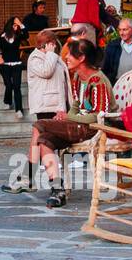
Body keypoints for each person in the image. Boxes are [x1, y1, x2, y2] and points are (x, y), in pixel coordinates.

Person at [30, 39, 113, 208]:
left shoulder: (97, 80)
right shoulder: (77, 78)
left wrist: (70, 118)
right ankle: (57, 190)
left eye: (69, 54)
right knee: (44, 140)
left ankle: (27, 175)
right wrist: (67, 116)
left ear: (81, 58)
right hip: (79, 126)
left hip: (93, 129)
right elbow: (75, 107)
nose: (66, 57)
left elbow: (98, 116)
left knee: (40, 124)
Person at [1, 30, 69, 194]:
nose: (56, 46)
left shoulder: (53, 57)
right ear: (48, 43)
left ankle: (27, 178)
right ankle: (28, 179)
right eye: (53, 43)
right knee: (39, 140)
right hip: (47, 105)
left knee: (37, 139)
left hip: (55, 105)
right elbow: (47, 72)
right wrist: (51, 54)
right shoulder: (36, 57)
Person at [0, 16, 25, 119]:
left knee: (17, 86)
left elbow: (27, 35)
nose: (16, 27)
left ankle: (19, 109)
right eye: (14, 25)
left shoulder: (19, 35)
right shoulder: (1, 37)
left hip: (17, 65)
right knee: (9, 85)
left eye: (17, 26)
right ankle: (7, 101)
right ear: (9, 26)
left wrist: (20, 24)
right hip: (5, 65)